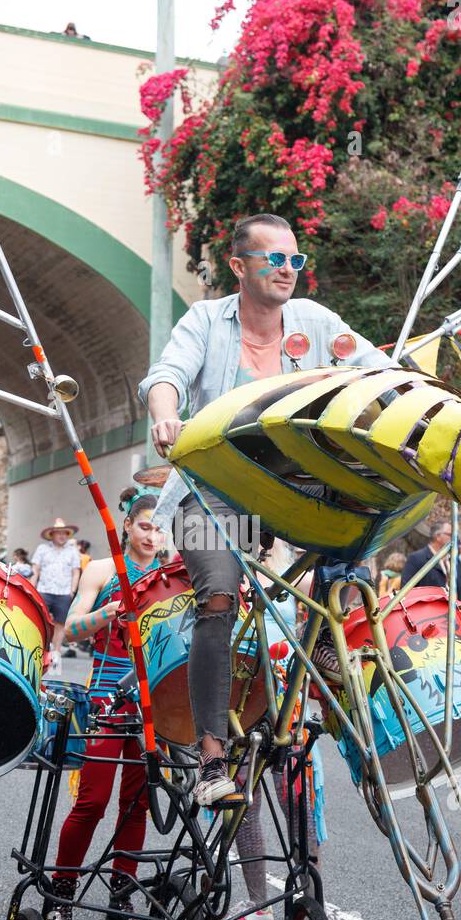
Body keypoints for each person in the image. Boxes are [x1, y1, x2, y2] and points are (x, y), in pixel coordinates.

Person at [140, 210, 390, 805]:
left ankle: (330, 641)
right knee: (219, 594)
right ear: (238, 266)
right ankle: (210, 758)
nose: (287, 269)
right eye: (273, 258)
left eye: (295, 260)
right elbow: (167, 375)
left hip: (291, 493)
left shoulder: (316, 322)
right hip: (214, 493)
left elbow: (376, 369)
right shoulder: (206, 319)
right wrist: (165, 415)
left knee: (367, 502)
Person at [215, 538, 356, 920]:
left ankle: (316, 910)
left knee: (298, 801)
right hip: (238, 701)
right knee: (242, 800)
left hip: (285, 700)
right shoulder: (223, 569)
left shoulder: (302, 572)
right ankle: (258, 903)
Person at [43, 488, 161, 920]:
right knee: (92, 801)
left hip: (155, 704)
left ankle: (121, 899)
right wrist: (108, 611)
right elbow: (70, 629)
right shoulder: (102, 569)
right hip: (108, 697)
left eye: (160, 527)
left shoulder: (172, 575)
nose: (153, 535)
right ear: (127, 525)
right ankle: (62, 898)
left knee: (138, 804)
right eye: (145, 525)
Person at [31, 518, 81, 662]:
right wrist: (32, 588)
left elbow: (75, 571)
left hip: (64, 592)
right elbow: (36, 569)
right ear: (52, 534)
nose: (62, 536)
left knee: (60, 623)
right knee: (40, 620)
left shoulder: (72, 551)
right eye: (59, 533)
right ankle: (40, 649)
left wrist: (72, 591)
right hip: (44, 590)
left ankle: (56, 653)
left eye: (65, 533)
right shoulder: (42, 548)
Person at [401, 520, 461, 601]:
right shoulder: (417, 558)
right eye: (450, 535)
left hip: (455, 611)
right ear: (437, 537)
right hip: (429, 611)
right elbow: (406, 593)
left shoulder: (455, 561)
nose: (454, 538)